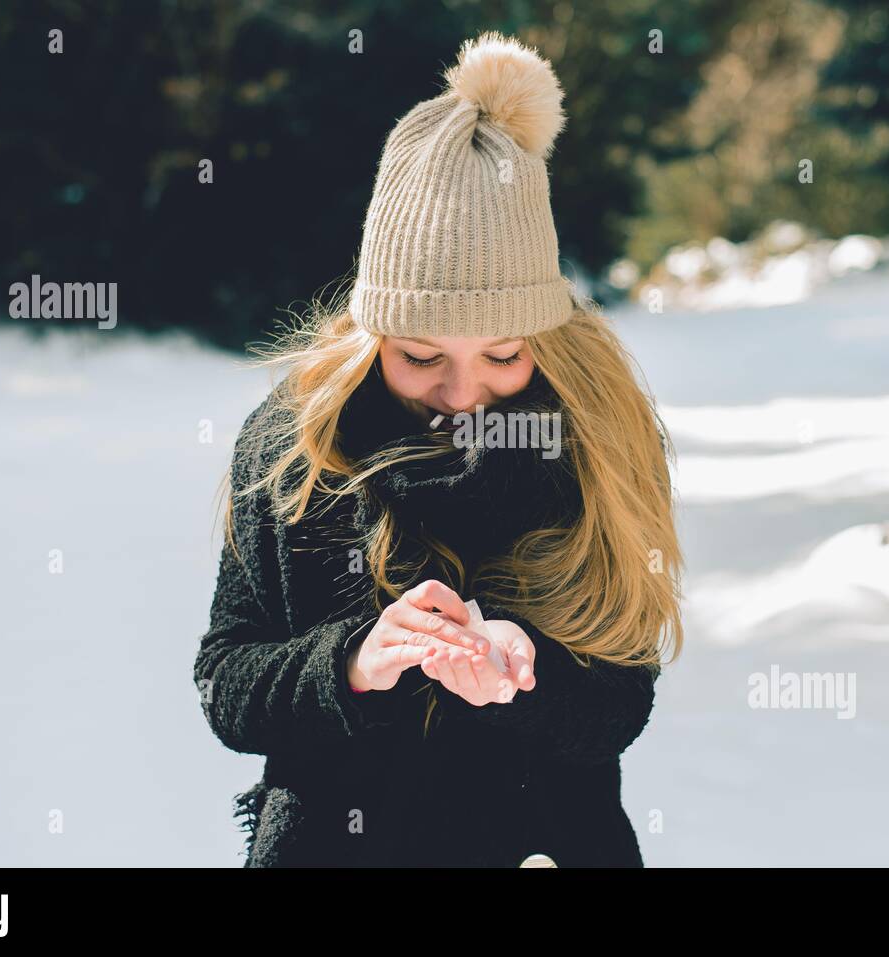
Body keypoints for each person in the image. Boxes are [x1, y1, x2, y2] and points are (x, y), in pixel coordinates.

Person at [194, 30, 684, 868]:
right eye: (422, 357)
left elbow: (621, 703)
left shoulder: (595, 434)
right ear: (372, 331)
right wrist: (349, 662)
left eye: (502, 354)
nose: (462, 394)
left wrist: (528, 677)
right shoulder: (293, 445)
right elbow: (228, 682)